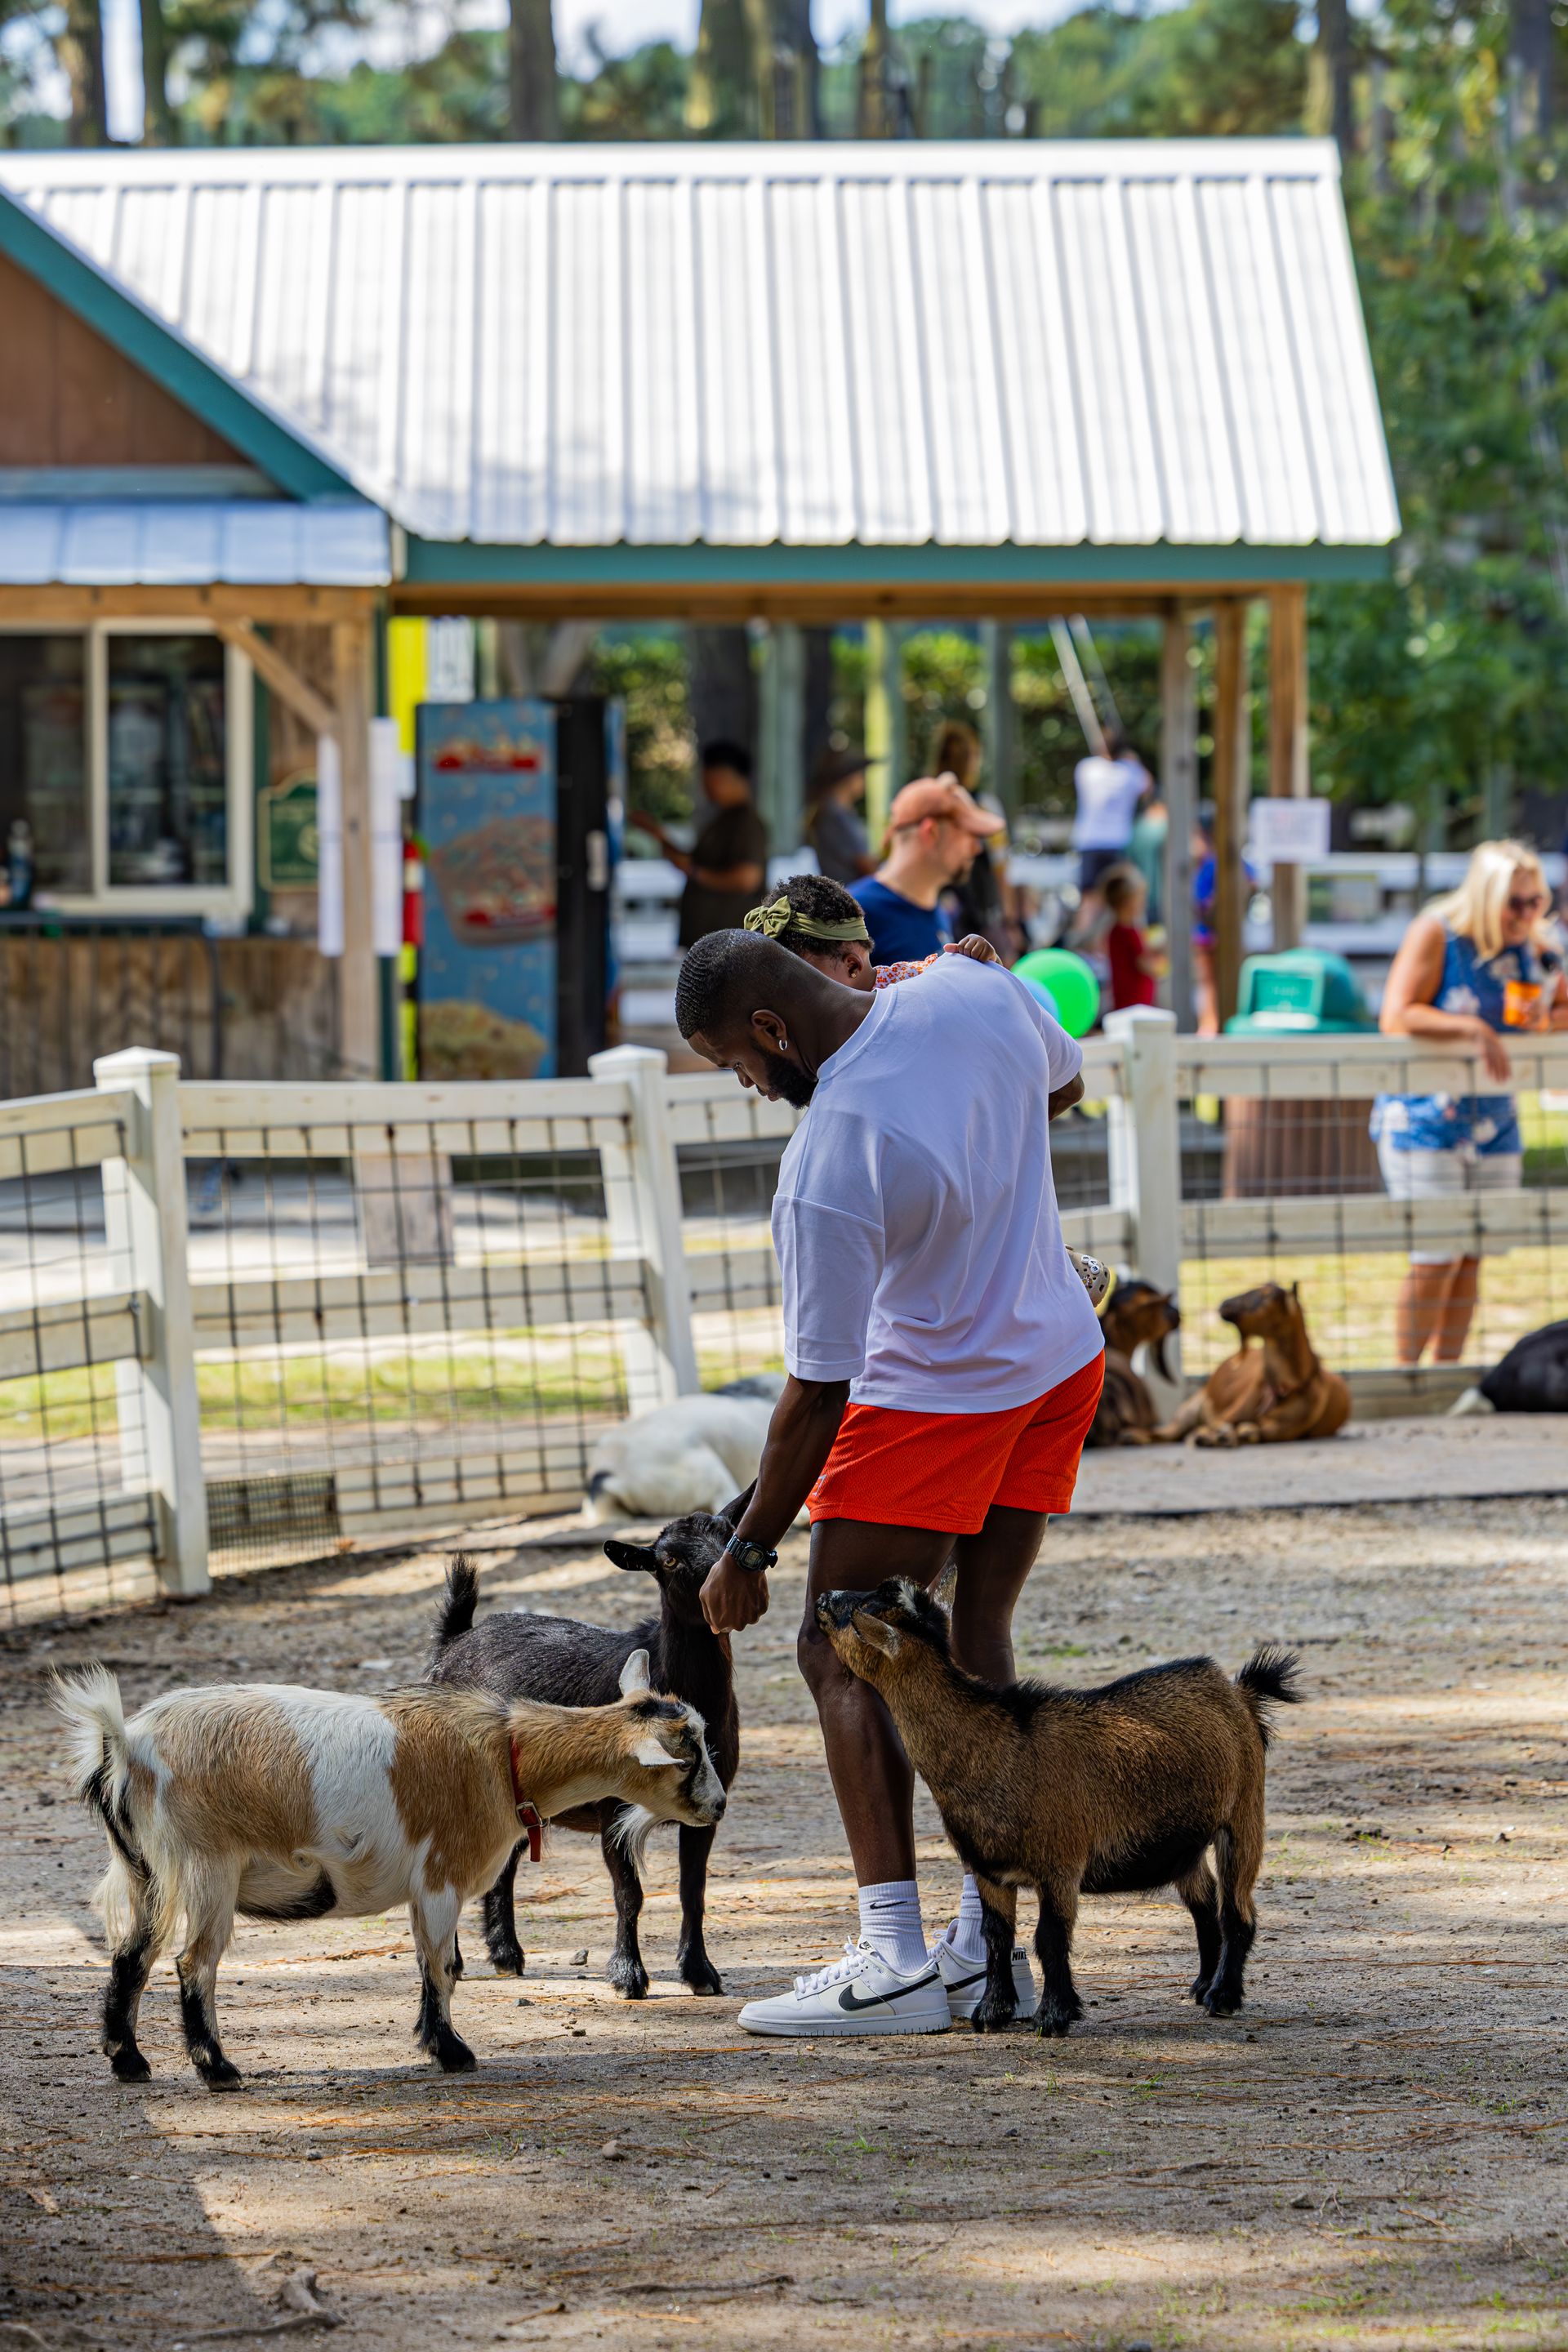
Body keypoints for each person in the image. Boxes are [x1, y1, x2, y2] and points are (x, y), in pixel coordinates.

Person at [674, 929, 1104, 2037]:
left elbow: (818, 1393)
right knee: (972, 1638)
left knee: (838, 1649)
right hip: (1058, 1353)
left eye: (740, 1066)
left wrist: (748, 1550)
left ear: (772, 1028)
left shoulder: (828, 1159)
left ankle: (895, 1955)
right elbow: (1067, 1086)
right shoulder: (973, 987)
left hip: (942, 1392)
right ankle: (982, 1938)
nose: (753, 1087)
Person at [1374, 839, 1568, 1365]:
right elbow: (1396, 1015)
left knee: (1472, 1257)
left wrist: (1547, 1021)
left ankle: (1447, 1373)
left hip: (1496, 1121)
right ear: (1486, 897)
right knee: (1435, 1254)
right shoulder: (1437, 932)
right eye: (1515, 902)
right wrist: (1470, 1028)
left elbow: (1558, 1006)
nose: (1527, 913)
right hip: (1424, 1119)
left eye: (1535, 902)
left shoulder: (1537, 947)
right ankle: (1405, 1377)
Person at [630, 739, 768, 950]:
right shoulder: (722, 820)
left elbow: (747, 878)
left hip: (731, 946)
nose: (705, 787)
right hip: (715, 945)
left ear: (725, 776)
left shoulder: (746, 823)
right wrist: (659, 835)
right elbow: (691, 862)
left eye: (709, 779)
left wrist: (696, 872)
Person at [850, 776, 996, 965]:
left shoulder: (938, 911)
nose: (977, 849)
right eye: (969, 834)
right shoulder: (855, 913)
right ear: (931, 832)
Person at [928, 719, 1016, 956]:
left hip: (938, 909)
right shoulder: (984, 804)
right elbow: (1000, 862)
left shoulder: (924, 801)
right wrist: (1009, 916)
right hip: (979, 912)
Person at [1071, 724, 1152, 933]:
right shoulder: (1131, 772)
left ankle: (1083, 948)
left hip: (1090, 843)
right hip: (1118, 844)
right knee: (1122, 901)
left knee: (1089, 902)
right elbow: (1148, 786)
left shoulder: (1086, 768)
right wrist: (1133, 760)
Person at [804, 746, 879, 883]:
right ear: (848, 779)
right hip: (847, 891)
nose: (863, 780)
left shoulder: (839, 812)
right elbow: (863, 864)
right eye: (860, 775)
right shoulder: (834, 815)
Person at [1102, 862, 1162, 1012]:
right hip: (1135, 999)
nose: (1143, 903)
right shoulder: (1128, 933)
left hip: (1125, 999)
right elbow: (1143, 964)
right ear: (1127, 901)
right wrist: (1160, 966)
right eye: (1140, 897)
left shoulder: (1115, 931)